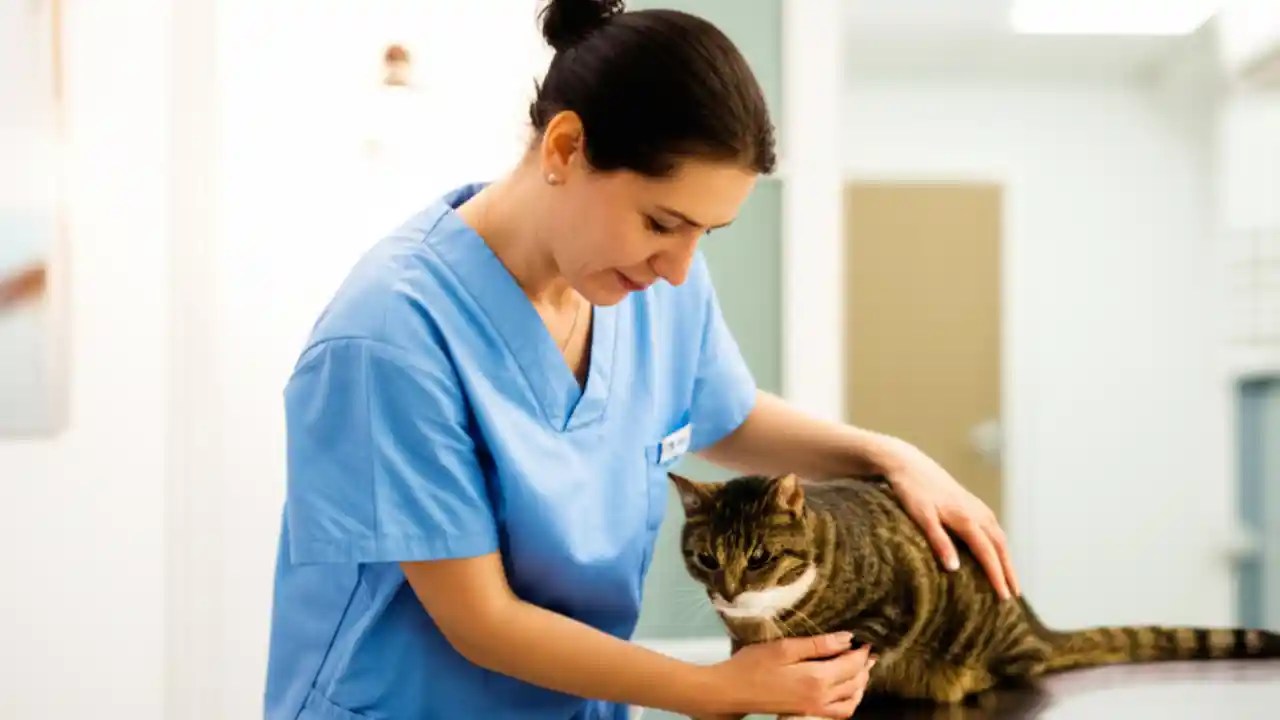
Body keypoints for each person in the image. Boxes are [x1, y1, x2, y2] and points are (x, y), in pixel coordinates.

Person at [263, 1, 1021, 719]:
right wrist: (716, 689)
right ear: (565, 148)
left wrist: (888, 457)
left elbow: (724, 414)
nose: (681, 268)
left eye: (707, 233)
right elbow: (481, 621)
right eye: (663, 222)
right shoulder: (391, 336)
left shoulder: (648, 284)